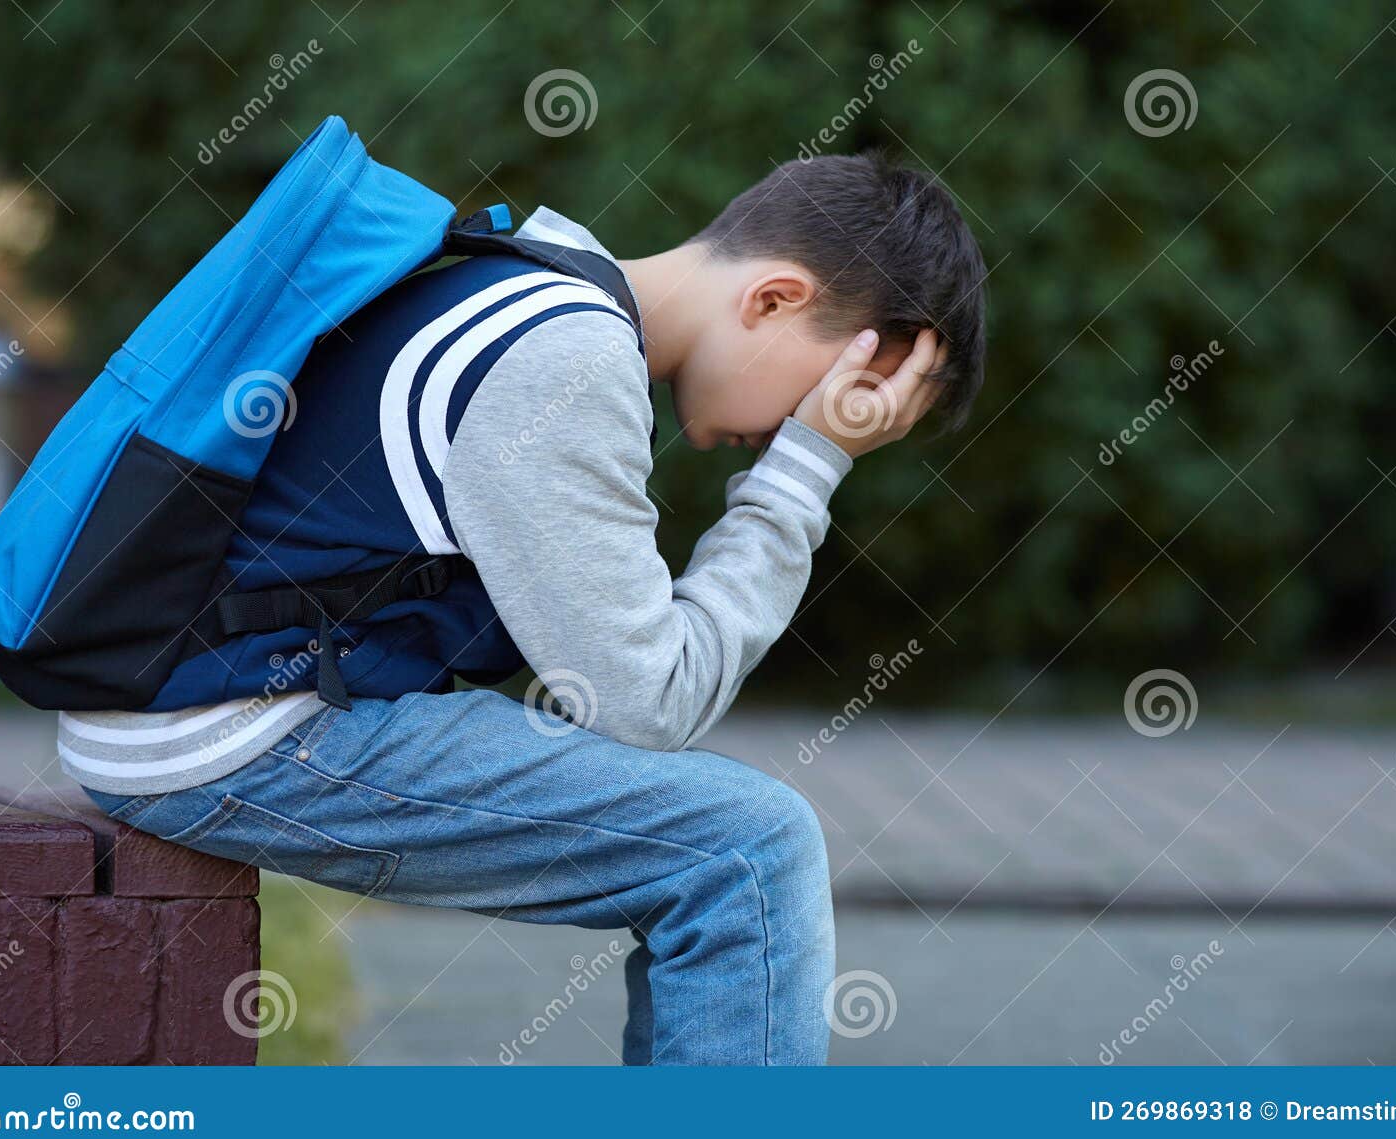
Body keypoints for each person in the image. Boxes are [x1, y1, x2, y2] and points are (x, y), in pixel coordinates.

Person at [67, 151, 988, 1065]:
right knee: (747, 853)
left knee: (728, 841)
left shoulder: (525, 279)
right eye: (831, 401)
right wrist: (806, 471)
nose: (808, 428)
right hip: (234, 733)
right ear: (774, 300)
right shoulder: (566, 360)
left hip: (208, 706)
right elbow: (650, 701)